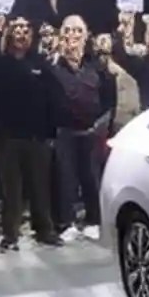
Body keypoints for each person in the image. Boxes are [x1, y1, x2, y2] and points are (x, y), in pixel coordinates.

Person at [0, 15, 62, 251]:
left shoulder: (40, 62)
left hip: (37, 138)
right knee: (12, 191)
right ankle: (10, 234)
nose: (21, 32)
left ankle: (44, 230)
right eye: (16, 28)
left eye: (26, 28)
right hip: (8, 139)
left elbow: (53, 98)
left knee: (40, 188)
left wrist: (50, 133)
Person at [47, 15, 116, 241]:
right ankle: (65, 223)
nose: (72, 35)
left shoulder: (97, 67)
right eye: (68, 30)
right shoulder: (52, 68)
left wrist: (102, 126)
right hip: (63, 133)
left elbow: (109, 99)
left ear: (86, 36)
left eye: (78, 31)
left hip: (91, 132)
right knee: (64, 179)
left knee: (91, 177)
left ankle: (93, 220)